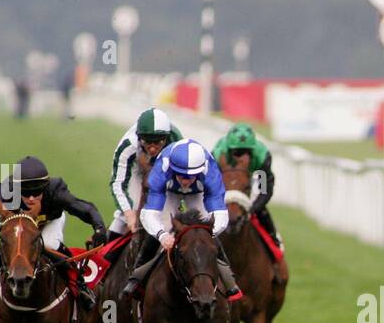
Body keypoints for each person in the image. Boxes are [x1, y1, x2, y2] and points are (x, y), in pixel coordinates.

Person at [0, 156, 107, 309]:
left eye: (37, 194)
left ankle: (79, 283)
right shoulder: (7, 190)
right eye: (26, 194)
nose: (31, 199)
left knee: (48, 244)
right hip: (21, 225)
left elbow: (86, 208)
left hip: (50, 221)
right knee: (13, 244)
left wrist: (99, 228)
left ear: (45, 187)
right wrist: (7, 223)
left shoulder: (55, 190)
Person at [121, 138, 241, 302]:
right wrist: (162, 235)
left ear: (200, 171)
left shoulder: (210, 172)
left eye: (190, 176)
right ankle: (136, 278)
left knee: (208, 238)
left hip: (197, 195)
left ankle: (229, 281)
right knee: (156, 234)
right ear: (172, 168)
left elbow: (220, 212)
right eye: (181, 175)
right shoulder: (162, 168)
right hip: (169, 194)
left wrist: (209, 232)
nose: (185, 180)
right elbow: (149, 213)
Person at [211, 122, 285, 269]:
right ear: (230, 151)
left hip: (246, 188)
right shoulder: (218, 155)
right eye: (238, 152)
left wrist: (253, 208)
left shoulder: (262, 156)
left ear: (253, 150)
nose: (243, 157)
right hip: (224, 187)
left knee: (262, 213)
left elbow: (265, 189)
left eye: (247, 152)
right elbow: (210, 186)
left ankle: (275, 251)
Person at [107, 108, 183, 237]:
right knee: (132, 207)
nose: (152, 148)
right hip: (137, 163)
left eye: (158, 142)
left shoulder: (177, 143)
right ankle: (106, 251)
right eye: (147, 141)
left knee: (170, 211)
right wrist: (128, 212)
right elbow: (118, 183)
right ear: (139, 137)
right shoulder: (128, 145)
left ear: (166, 138)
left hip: (166, 164)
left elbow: (182, 178)